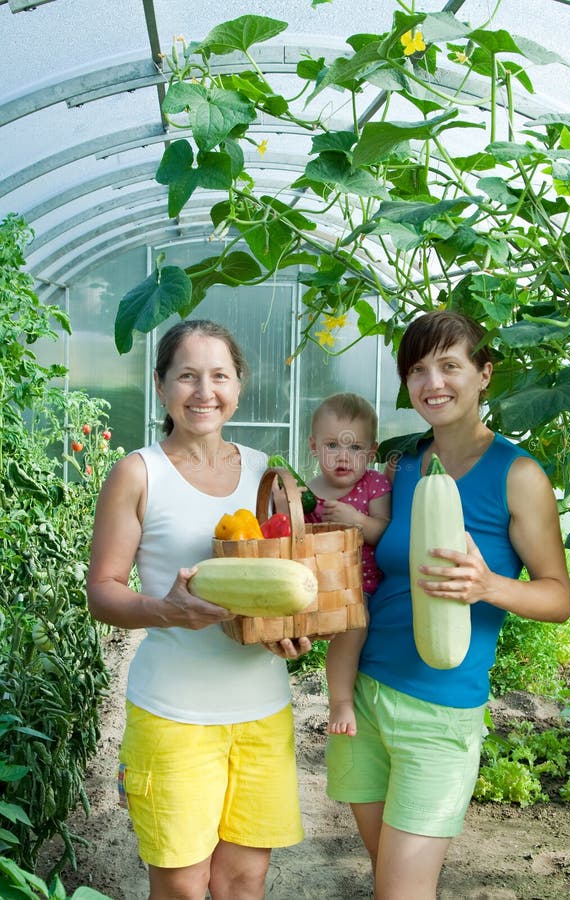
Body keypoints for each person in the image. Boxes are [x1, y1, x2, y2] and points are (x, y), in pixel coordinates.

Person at [325, 310, 570, 900]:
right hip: (362, 699)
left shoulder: (518, 475)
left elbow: (559, 597)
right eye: (417, 369)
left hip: (440, 712)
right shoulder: (406, 466)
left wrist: (489, 585)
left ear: (484, 374)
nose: (432, 382)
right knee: (388, 881)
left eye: (449, 365)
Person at [86, 319, 310, 900]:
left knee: (244, 881)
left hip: (263, 710)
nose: (204, 392)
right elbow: (102, 591)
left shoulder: (267, 474)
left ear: (239, 385)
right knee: (183, 884)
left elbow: (282, 585)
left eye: (219, 376)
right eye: (187, 376)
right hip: (173, 714)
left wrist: (291, 633)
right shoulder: (139, 473)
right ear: (161, 385)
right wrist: (168, 611)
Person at [305, 393, 392, 737]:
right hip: (320, 582)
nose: (343, 456)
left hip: (360, 586)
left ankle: (340, 700)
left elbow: (384, 532)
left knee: (355, 623)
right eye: (332, 446)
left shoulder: (375, 485)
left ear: (371, 453)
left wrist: (358, 520)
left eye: (355, 448)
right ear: (314, 447)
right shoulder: (308, 492)